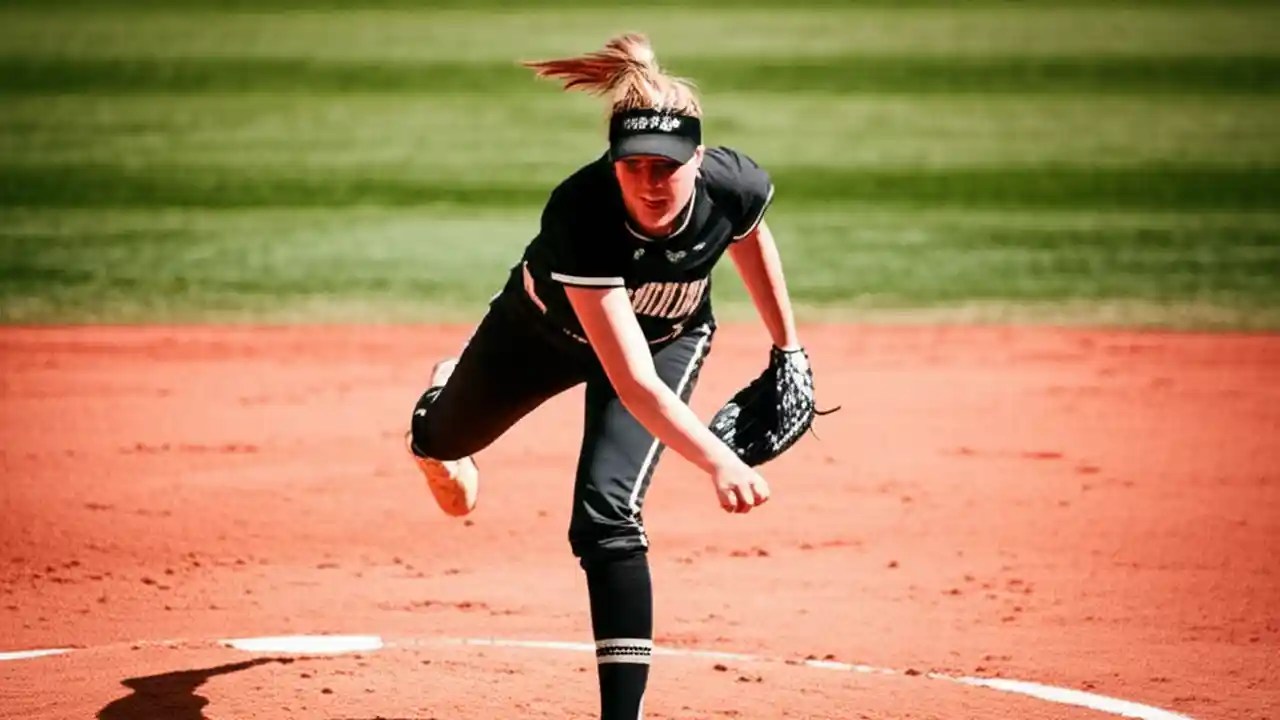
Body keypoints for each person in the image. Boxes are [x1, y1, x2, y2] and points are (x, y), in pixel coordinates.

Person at [407, 32, 810, 720]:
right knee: (439, 439)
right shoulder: (582, 213)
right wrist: (718, 462)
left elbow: (751, 241)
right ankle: (445, 399)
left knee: (607, 518)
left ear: (700, 160)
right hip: (539, 337)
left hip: (667, 341)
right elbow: (633, 387)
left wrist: (789, 350)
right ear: (612, 163)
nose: (651, 183)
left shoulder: (733, 185)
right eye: (634, 168)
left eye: (668, 167)